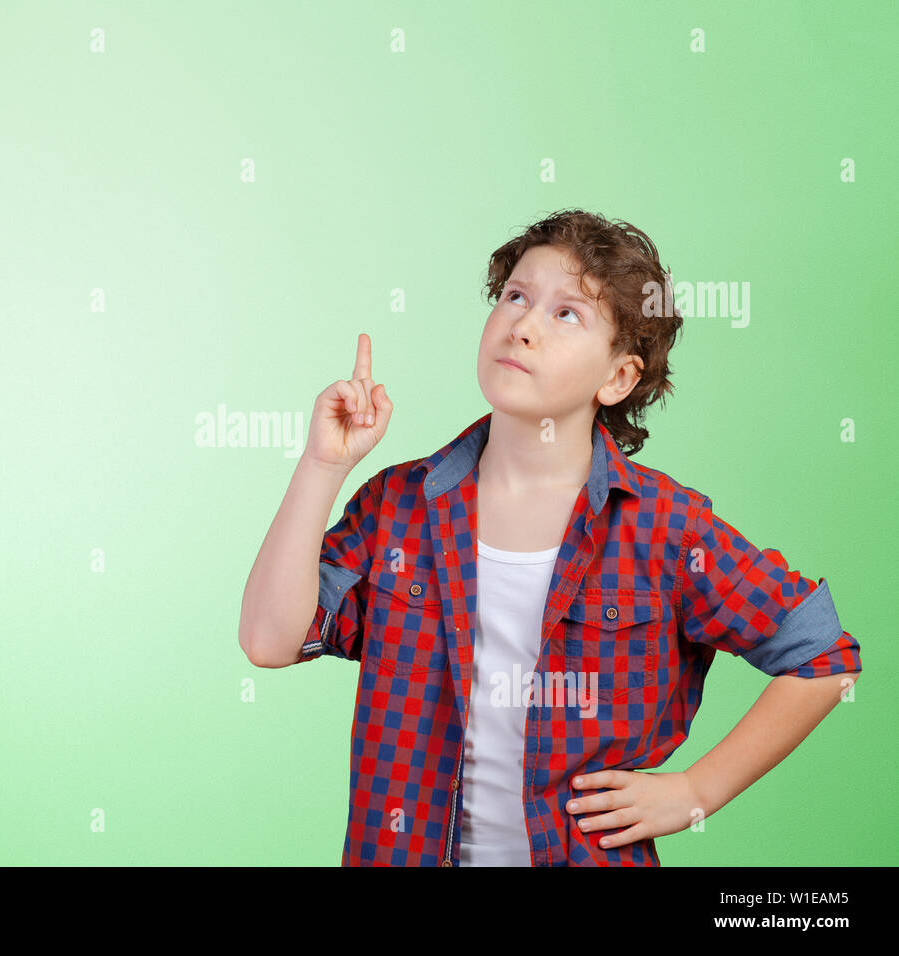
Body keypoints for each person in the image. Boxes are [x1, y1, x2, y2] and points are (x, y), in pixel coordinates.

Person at [237, 208, 862, 866]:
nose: (524, 326)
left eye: (567, 314)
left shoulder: (665, 528)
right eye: (516, 297)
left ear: (618, 377)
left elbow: (824, 659)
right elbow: (269, 639)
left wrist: (697, 790)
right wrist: (324, 465)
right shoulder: (398, 505)